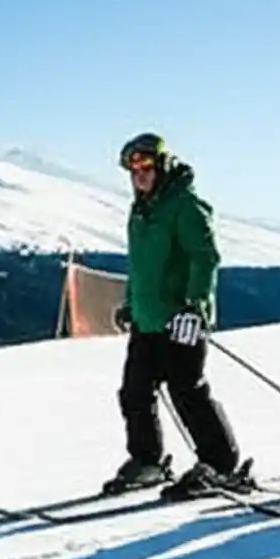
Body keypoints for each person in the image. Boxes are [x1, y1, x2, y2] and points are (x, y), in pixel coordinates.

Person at [105, 133, 246, 502]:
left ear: (162, 165)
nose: (139, 174)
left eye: (146, 165)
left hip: (181, 319)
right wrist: (131, 305)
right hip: (148, 320)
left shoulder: (185, 204)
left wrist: (195, 307)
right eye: (132, 168)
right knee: (134, 392)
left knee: (187, 391)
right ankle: (147, 461)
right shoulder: (141, 209)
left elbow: (205, 257)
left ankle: (220, 464)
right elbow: (140, 266)